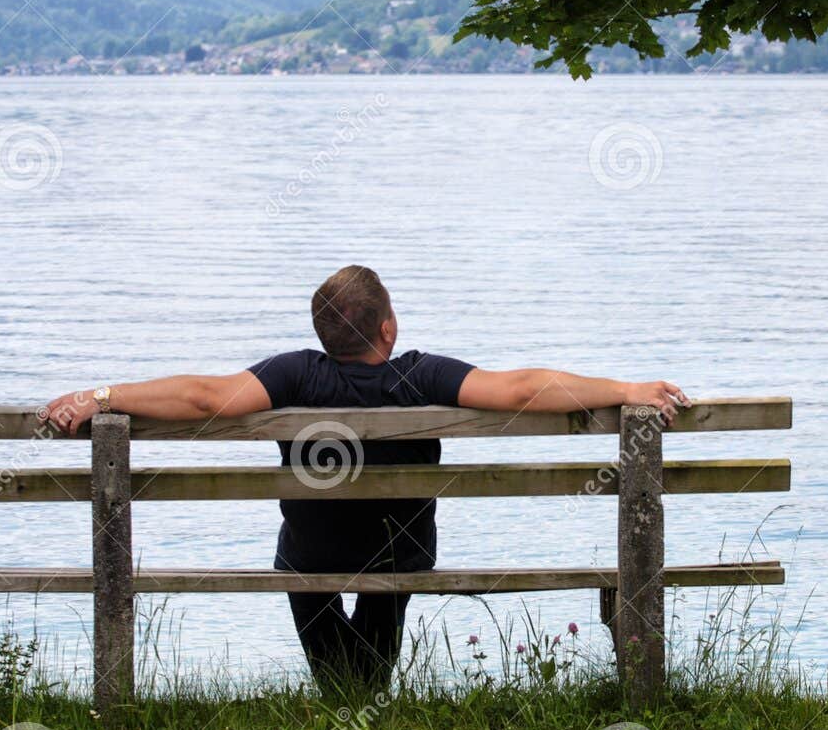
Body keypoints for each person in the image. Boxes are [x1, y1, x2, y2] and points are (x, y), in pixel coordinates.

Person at [42, 265, 688, 690]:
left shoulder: (295, 373)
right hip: (399, 552)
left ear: (324, 334)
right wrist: (627, 388)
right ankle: (361, 695)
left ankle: (348, 696)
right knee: (392, 556)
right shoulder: (421, 374)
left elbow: (205, 397)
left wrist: (102, 393)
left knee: (302, 559)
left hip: (310, 554)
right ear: (388, 327)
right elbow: (522, 387)